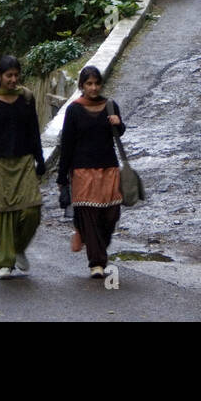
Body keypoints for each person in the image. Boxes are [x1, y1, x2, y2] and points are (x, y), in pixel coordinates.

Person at [0, 55, 45, 279]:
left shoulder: (26, 97)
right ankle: (4, 262)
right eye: (9, 76)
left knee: (32, 209)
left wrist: (40, 158)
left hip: (24, 161)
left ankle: (18, 248)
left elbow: (34, 130)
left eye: (16, 75)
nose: (13, 80)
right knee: (5, 214)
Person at [57, 65, 125, 278]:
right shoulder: (74, 109)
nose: (93, 88)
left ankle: (91, 241)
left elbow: (119, 132)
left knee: (111, 214)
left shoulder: (110, 106)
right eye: (89, 84)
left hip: (108, 168)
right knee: (90, 215)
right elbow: (66, 144)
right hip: (82, 171)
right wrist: (62, 178)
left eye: (96, 83)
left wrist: (119, 124)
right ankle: (97, 262)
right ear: (81, 86)